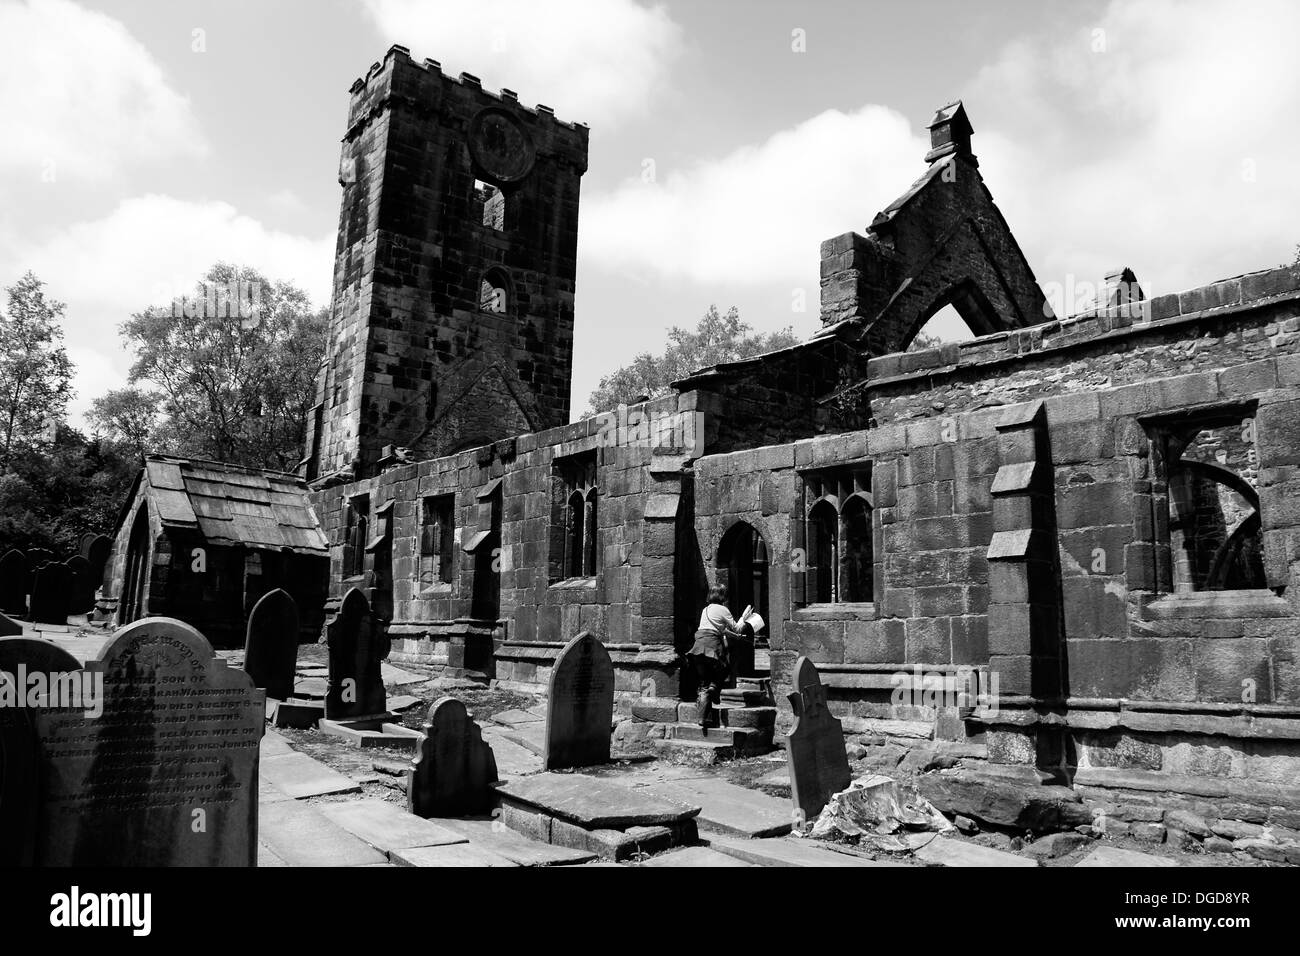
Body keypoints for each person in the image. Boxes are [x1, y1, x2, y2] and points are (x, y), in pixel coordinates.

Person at [688, 584, 753, 728]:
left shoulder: (705, 609)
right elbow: (736, 627)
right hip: (712, 645)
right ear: (723, 596)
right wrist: (744, 618)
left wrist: (732, 634)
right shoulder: (723, 609)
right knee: (726, 667)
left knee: (704, 683)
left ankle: (702, 719)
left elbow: (719, 628)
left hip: (698, 647)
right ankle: (715, 687)